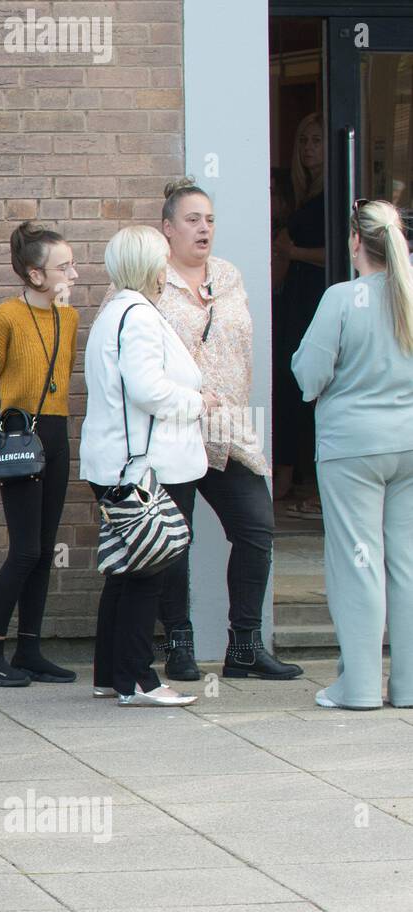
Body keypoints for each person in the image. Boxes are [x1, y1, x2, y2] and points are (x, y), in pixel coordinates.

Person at [152, 178, 302, 682]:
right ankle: (178, 643)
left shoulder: (229, 276)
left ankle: (245, 646)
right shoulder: (147, 281)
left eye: (210, 219)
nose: (204, 228)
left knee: (256, 528)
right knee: (176, 538)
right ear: (168, 229)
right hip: (173, 428)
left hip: (227, 427)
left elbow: (240, 348)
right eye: (193, 219)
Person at [292, 200, 413, 710]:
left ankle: (360, 686)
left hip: (351, 448)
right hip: (407, 442)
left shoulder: (341, 299)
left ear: (355, 242)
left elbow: (308, 375)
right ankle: (407, 687)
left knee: (358, 563)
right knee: (405, 564)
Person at [80, 225, 207, 706]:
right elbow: (148, 389)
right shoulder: (138, 315)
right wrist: (198, 401)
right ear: (150, 267)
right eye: (163, 262)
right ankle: (138, 680)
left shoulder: (115, 312)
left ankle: (110, 674)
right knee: (147, 571)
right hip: (147, 470)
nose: (167, 270)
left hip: (117, 463)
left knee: (124, 567)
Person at [0, 221, 80, 687]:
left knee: (45, 547)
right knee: (25, 549)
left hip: (57, 434)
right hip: (19, 439)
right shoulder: (7, 317)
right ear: (35, 274)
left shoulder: (68, 318)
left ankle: (29, 649)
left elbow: (63, 377)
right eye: (64, 267)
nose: (74, 273)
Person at [273, 113, 327, 509]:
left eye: (316, 140)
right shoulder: (305, 192)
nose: (309, 148)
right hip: (297, 293)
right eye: (304, 141)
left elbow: (337, 254)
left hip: (318, 294)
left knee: (308, 379)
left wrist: (294, 252)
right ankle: (290, 473)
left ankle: (305, 477)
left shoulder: (335, 192)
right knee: (290, 373)